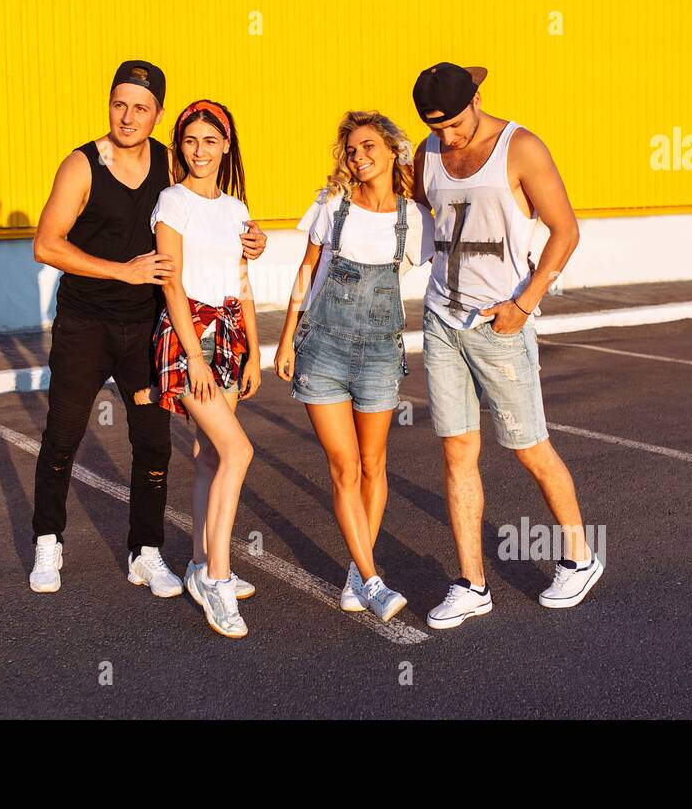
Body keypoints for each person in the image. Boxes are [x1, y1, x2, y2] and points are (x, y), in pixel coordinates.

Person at [28, 62, 267, 597]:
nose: (127, 116)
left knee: (152, 443)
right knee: (64, 434)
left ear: (158, 114)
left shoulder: (171, 162)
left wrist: (252, 240)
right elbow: (46, 245)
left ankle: (147, 552)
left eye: (140, 107)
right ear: (108, 105)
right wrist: (123, 270)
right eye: (119, 104)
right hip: (86, 324)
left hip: (147, 326)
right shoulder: (83, 164)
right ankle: (48, 540)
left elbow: (213, 220)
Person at [410, 62, 603, 629]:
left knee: (528, 448)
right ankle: (472, 583)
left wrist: (524, 305)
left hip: (501, 324)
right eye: (434, 127)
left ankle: (580, 557)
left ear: (476, 100)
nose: (446, 137)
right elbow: (427, 213)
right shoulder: (428, 151)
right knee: (456, 452)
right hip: (443, 319)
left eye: (452, 125)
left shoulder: (520, 148)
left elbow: (565, 230)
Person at [273, 111, 433, 623]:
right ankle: (373, 579)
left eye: (368, 148)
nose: (358, 158)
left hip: (381, 354)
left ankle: (354, 571)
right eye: (351, 150)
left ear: (392, 151)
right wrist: (285, 340)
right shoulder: (332, 205)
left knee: (373, 465)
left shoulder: (416, 221)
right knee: (343, 468)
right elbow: (306, 270)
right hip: (322, 349)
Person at [150, 100, 261, 639]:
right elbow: (171, 282)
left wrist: (255, 351)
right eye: (190, 141)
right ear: (181, 147)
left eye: (210, 141)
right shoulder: (172, 201)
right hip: (186, 337)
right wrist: (193, 355)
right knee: (239, 450)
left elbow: (241, 282)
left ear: (225, 146)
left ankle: (198, 564)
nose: (200, 151)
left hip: (229, 334)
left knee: (210, 456)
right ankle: (218, 579)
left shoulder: (236, 210)